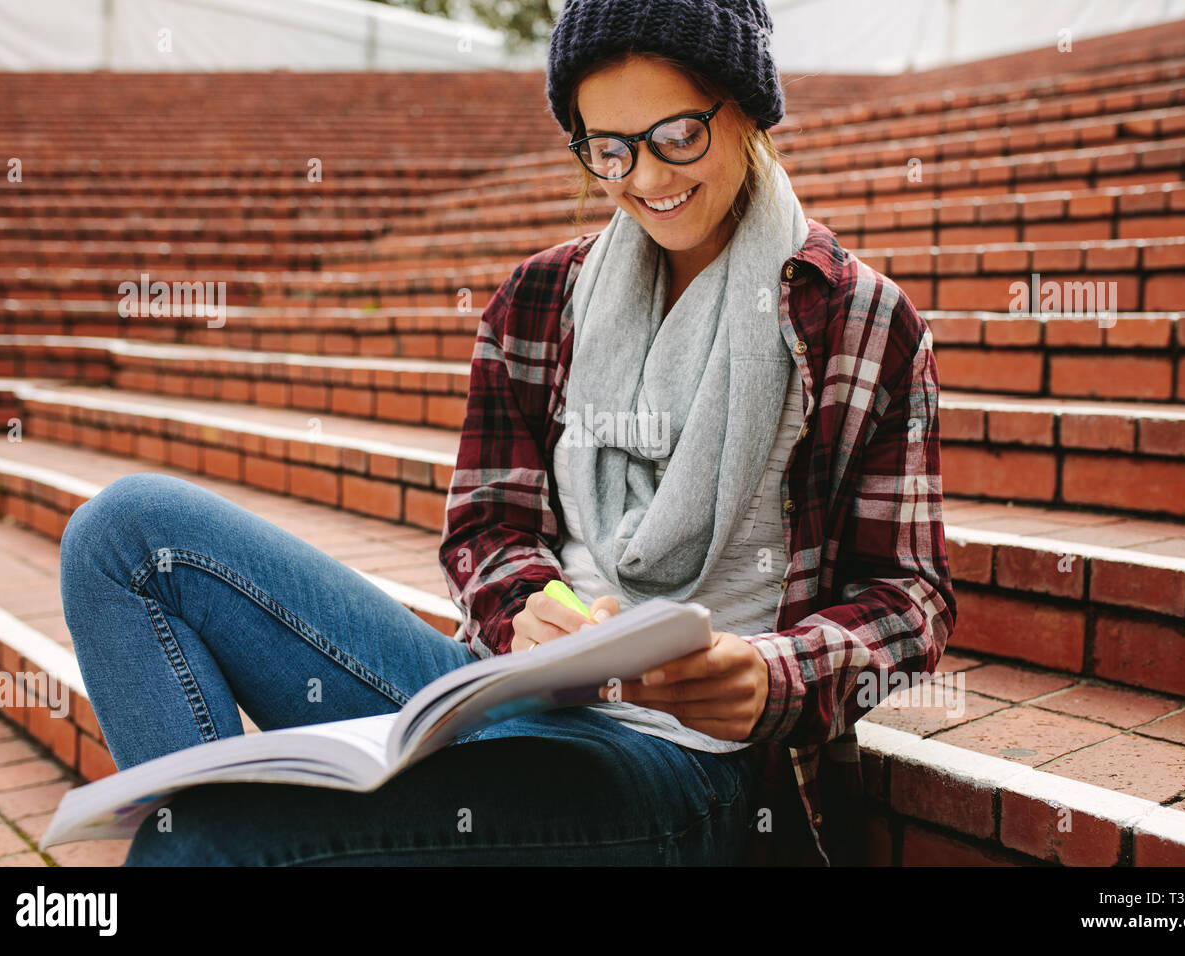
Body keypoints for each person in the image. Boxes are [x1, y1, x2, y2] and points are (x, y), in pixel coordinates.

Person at [59, 0, 956, 866]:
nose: (644, 179)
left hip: (685, 763)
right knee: (124, 535)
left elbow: (910, 597)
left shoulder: (860, 319)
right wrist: (528, 606)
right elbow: (488, 527)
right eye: (608, 150)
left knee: (224, 843)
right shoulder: (541, 298)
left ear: (749, 109)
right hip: (512, 698)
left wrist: (772, 675)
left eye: (679, 136)